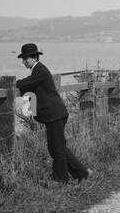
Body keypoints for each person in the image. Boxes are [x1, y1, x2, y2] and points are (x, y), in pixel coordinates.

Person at [15, 43, 89, 185]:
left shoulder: (40, 71)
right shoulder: (38, 71)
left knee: (57, 148)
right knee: (56, 147)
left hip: (55, 114)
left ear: (33, 58)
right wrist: (30, 107)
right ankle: (80, 172)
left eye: (25, 58)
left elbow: (25, 83)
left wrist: (14, 83)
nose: (23, 61)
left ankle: (61, 179)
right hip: (54, 114)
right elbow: (30, 88)